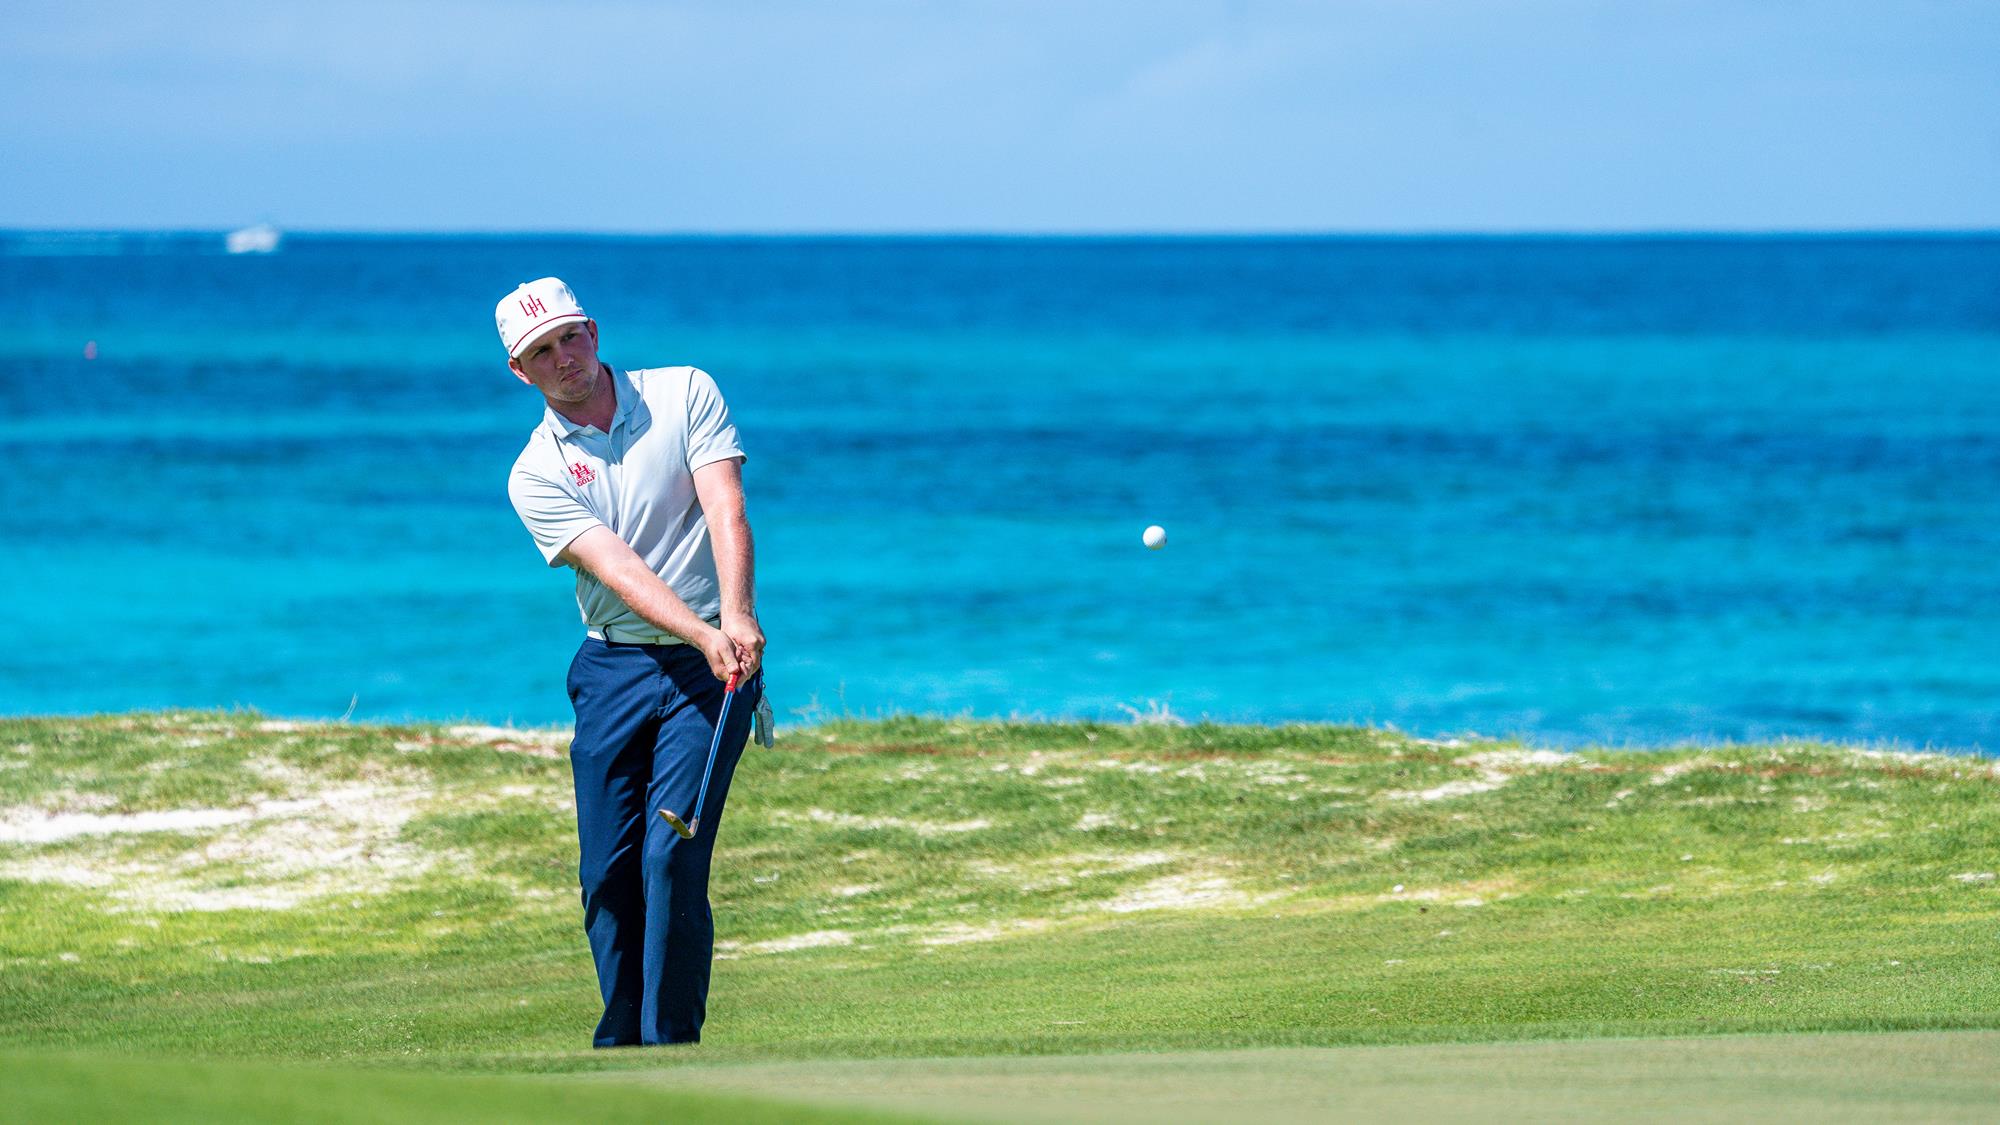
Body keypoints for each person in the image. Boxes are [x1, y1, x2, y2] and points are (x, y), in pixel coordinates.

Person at [498, 276, 767, 1047]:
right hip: (613, 667)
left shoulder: (685, 392)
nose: (563, 359)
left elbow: (725, 505)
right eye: (540, 353)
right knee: (607, 876)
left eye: (569, 337)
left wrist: (735, 616)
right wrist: (703, 629)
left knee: (669, 855)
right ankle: (622, 1043)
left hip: (712, 668)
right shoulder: (534, 472)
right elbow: (617, 568)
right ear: (521, 372)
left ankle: (669, 1048)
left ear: (593, 329)